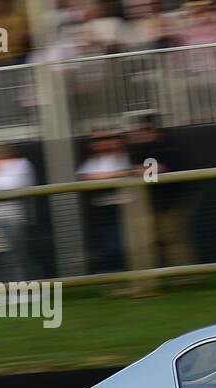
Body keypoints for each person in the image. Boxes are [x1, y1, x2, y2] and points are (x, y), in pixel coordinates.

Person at [127, 110, 198, 273]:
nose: (140, 134)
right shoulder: (139, 148)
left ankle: (185, 278)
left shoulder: (171, 143)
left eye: (144, 130)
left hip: (175, 200)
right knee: (150, 242)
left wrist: (137, 170)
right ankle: (156, 278)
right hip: (150, 202)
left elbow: (162, 168)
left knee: (175, 241)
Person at [0, 144, 38, 287]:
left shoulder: (20, 165)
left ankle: (23, 292)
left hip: (11, 219)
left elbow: (7, 186)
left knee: (14, 258)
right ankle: (7, 291)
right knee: (1, 260)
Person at [77, 128, 133, 274]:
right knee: (109, 246)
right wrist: (113, 176)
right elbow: (84, 177)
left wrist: (109, 176)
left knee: (122, 245)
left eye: (110, 138)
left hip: (127, 208)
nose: (105, 143)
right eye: (98, 140)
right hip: (102, 210)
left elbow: (137, 172)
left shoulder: (128, 156)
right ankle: (114, 276)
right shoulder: (92, 161)